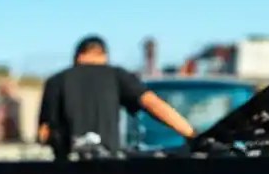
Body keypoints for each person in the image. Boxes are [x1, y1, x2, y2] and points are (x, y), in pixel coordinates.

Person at [38, 36, 194, 160]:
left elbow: (44, 133)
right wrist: (191, 134)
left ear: (77, 56)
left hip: (67, 173)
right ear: (104, 55)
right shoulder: (116, 75)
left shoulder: (56, 81)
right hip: (108, 170)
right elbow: (152, 104)